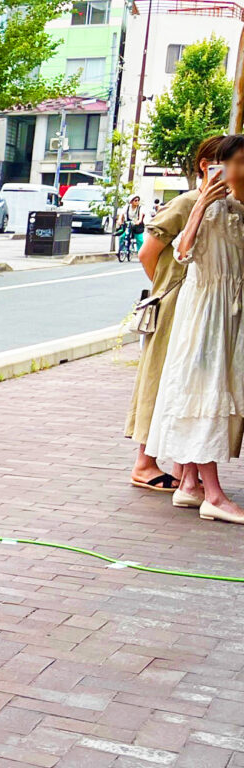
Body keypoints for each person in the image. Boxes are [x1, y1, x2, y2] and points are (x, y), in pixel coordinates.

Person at [147, 134, 244, 523]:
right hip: (204, 309)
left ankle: (189, 484)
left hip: (227, 309)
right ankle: (215, 496)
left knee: (201, 390)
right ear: (211, 166)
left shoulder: (237, 205)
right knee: (204, 393)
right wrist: (203, 202)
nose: (239, 170)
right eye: (235, 162)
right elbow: (183, 253)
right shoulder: (201, 204)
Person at [128, 136, 232, 492]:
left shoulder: (228, 205)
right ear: (206, 166)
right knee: (159, 379)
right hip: (177, 303)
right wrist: (166, 288)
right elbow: (148, 253)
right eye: (224, 162)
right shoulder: (188, 202)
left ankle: (184, 468)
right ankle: (144, 463)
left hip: (202, 305)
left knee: (189, 384)